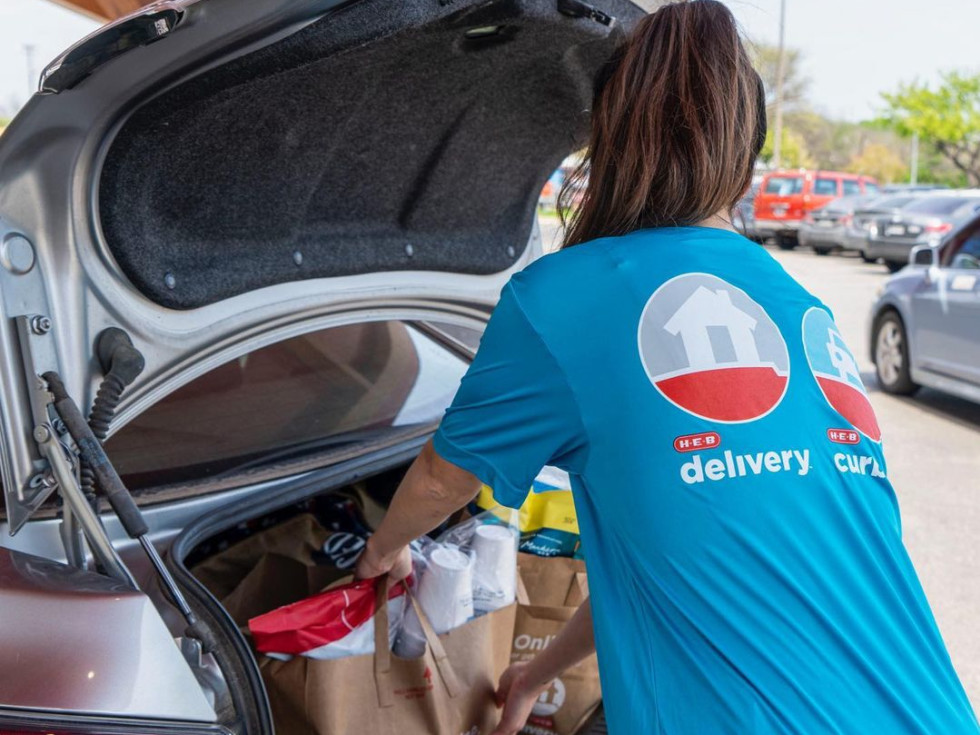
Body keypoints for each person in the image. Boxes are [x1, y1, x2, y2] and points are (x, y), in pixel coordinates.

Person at [355, 1, 980, 732]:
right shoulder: (793, 298)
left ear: (612, 136)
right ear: (747, 146)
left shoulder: (566, 297)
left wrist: (383, 551)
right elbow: (678, 555)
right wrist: (539, 670)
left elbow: (441, 479)